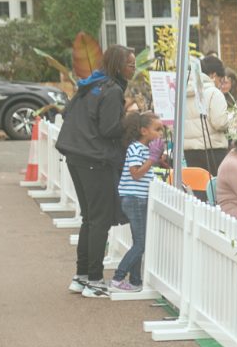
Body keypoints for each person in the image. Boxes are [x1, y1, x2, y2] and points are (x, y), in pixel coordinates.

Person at [55, 44, 137, 297]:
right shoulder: (111, 91)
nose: (133, 68)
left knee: (90, 219)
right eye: (130, 64)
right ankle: (94, 279)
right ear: (118, 66)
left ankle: (81, 276)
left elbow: (69, 112)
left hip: (76, 155)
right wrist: (132, 120)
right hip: (95, 158)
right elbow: (109, 129)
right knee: (99, 220)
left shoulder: (90, 84)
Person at [110, 112, 165, 292]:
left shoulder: (145, 149)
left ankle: (135, 281)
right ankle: (118, 278)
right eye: (157, 130)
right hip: (135, 199)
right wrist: (152, 159)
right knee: (141, 243)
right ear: (143, 131)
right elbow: (136, 174)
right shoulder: (136, 148)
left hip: (139, 198)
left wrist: (156, 158)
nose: (161, 134)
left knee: (138, 241)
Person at [179, 55, 231, 176]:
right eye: (220, 79)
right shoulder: (214, 93)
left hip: (189, 151)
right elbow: (219, 123)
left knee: (197, 189)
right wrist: (230, 119)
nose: (220, 83)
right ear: (213, 75)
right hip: (213, 150)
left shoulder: (182, 93)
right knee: (215, 190)